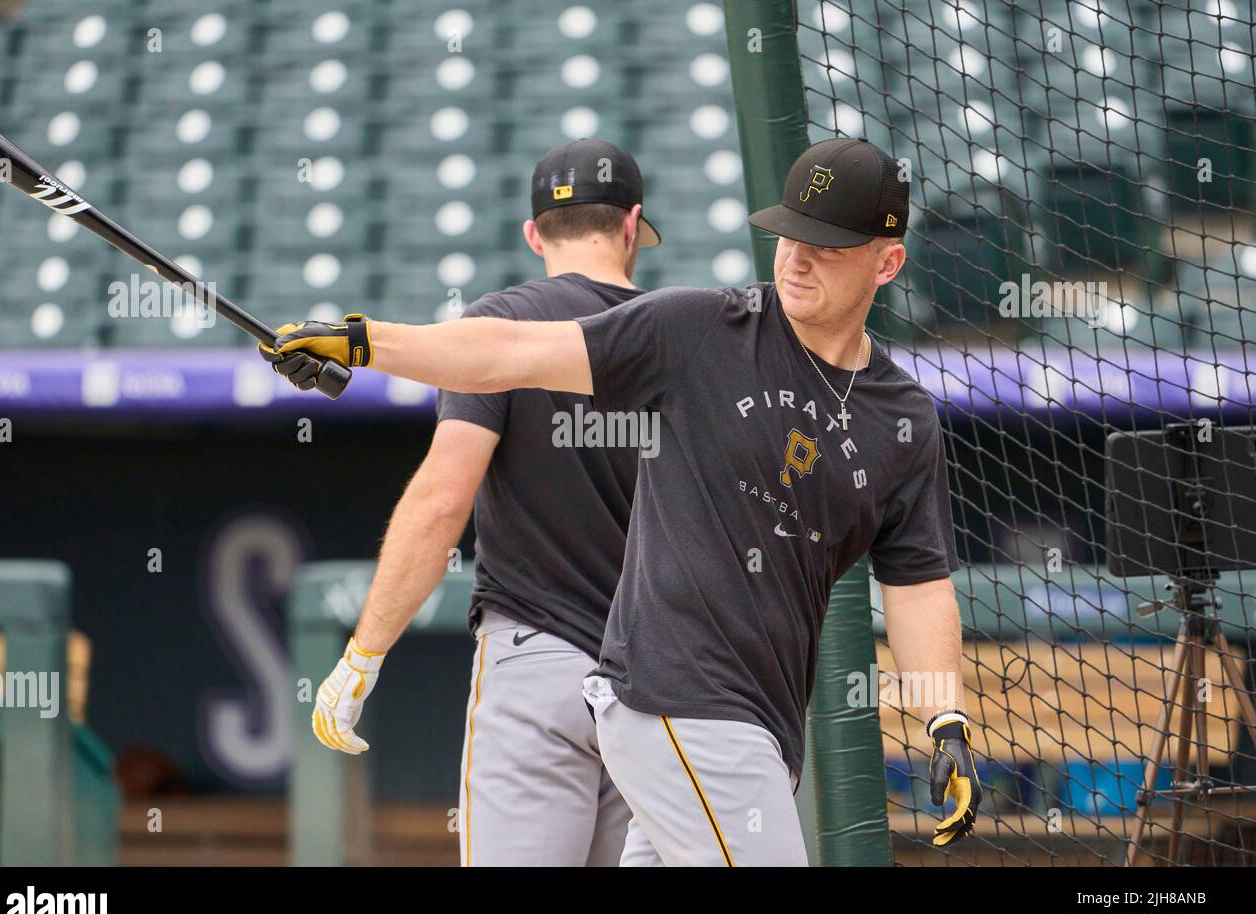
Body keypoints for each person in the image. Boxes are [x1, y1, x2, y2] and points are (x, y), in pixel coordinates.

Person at [265, 137, 982, 866]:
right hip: (678, 700)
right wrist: (363, 341)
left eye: (825, 245)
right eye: (789, 235)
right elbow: (507, 353)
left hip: (758, 722)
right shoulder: (701, 329)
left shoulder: (903, 418)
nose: (796, 258)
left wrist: (943, 718)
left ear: (887, 262)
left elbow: (918, 584)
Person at [302, 139, 661, 866]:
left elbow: (441, 502)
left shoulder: (495, 329)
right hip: (656, 682)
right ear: (631, 226)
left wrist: (362, 657)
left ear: (534, 234)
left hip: (536, 666)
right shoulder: (674, 337)